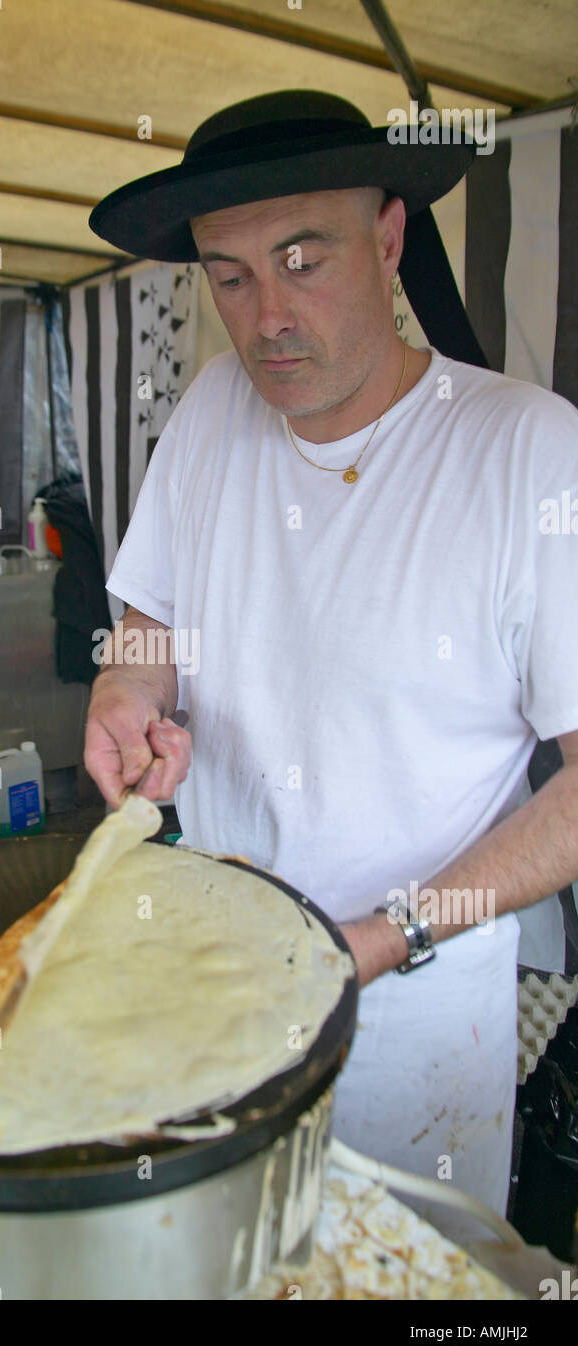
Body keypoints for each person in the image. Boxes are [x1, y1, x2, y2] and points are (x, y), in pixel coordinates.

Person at [84, 91, 578, 1240]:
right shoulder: (212, 409)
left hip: (409, 1014)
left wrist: (379, 937)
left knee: (398, 1282)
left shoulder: (527, 450)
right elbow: (153, 618)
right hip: (212, 974)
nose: (267, 319)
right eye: (232, 275)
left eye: (303, 259)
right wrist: (126, 692)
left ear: (389, 236)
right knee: (218, 1258)